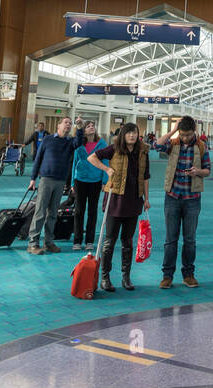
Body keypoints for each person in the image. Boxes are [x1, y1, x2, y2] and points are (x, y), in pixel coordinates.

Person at [86, 122, 150, 292]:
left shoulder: (143, 152)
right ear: (123, 135)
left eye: (135, 133)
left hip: (134, 201)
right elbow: (91, 157)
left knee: (128, 241)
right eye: (129, 133)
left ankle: (126, 277)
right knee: (110, 241)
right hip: (114, 200)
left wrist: (146, 199)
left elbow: (145, 177)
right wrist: (106, 169)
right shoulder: (114, 148)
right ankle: (105, 278)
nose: (132, 136)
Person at [154, 116, 212, 289]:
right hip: (172, 196)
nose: (184, 137)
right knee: (170, 240)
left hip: (192, 199)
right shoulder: (173, 143)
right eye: (182, 134)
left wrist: (198, 172)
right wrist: (173, 130)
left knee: (190, 240)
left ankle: (188, 274)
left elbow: (208, 171)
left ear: (194, 131)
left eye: (187, 134)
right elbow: (157, 144)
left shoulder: (202, 146)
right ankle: (167, 276)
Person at [27, 117, 75, 255]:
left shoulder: (70, 142)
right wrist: (33, 179)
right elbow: (38, 159)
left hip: (60, 182)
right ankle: (33, 243)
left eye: (70, 124)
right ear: (58, 125)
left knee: (53, 213)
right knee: (40, 211)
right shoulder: (48, 140)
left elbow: (79, 142)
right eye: (66, 122)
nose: (68, 125)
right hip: (46, 179)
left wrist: (80, 127)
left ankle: (48, 242)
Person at [70, 120, 109, 251]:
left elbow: (105, 162)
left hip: (95, 181)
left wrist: (105, 181)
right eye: (88, 126)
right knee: (79, 211)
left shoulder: (102, 143)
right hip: (80, 180)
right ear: (84, 130)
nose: (91, 127)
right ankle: (77, 241)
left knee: (92, 212)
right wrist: (71, 183)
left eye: (93, 126)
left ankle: (89, 241)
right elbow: (74, 162)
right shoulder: (79, 143)